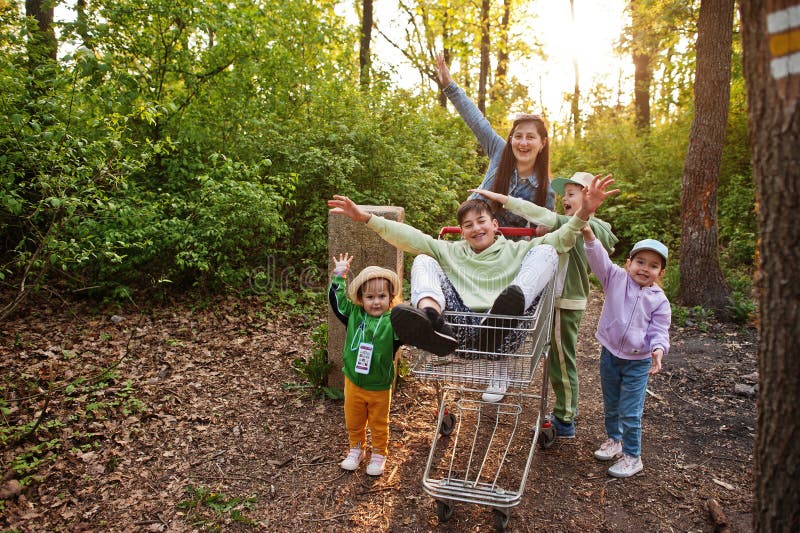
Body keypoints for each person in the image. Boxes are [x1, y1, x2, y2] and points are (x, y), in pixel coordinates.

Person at [327, 175, 618, 403]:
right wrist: (366, 217)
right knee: (425, 256)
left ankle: (510, 302)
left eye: (481, 221)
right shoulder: (453, 252)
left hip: (505, 330)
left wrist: (583, 214)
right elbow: (410, 237)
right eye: (468, 225)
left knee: (548, 252)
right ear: (462, 232)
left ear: (495, 225)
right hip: (457, 333)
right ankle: (430, 320)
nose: (476, 228)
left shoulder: (518, 250)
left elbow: (565, 238)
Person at [470, 172, 619, 439]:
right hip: (554, 299)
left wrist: (503, 199)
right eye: (564, 195)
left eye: (571, 194)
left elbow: (543, 215)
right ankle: (561, 413)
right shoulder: (570, 224)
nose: (564, 200)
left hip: (565, 301)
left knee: (561, 361)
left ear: (588, 197)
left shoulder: (590, 225)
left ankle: (564, 419)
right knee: (552, 357)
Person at [581, 227, 671, 478]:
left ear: (660, 273)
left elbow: (660, 330)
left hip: (637, 363)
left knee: (630, 412)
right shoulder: (615, 279)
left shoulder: (659, 301)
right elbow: (599, 258)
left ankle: (633, 456)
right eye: (640, 262)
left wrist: (658, 349)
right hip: (610, 355)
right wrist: (588, 234)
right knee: (611, 405)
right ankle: (615, 441)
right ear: (629, 263)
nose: (644, 268)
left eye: (653, 265)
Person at [434, 52, 556, 228]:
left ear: (542, 143)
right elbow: (476, 120)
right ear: (511, 139)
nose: (523, 143)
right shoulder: (500, 151)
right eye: (518, 136)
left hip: (508, 250)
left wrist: (546, 226)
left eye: (530, 137)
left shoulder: (546, 189)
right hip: (475, 237)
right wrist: (449, 86)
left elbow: (547, 227)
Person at [328, 253, 402, 476]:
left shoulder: (394, 322)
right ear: (361, 298)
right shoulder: (353, 315)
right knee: (354, 418)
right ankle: (356, 449)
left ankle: (379, 453)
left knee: (379, 422)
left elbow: (412, 331)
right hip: (354, 381)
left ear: (390, 298)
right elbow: (337, 302)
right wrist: (339, 276)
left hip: (379, 384)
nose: (376, 301)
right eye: (370, 297)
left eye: (381, 296)